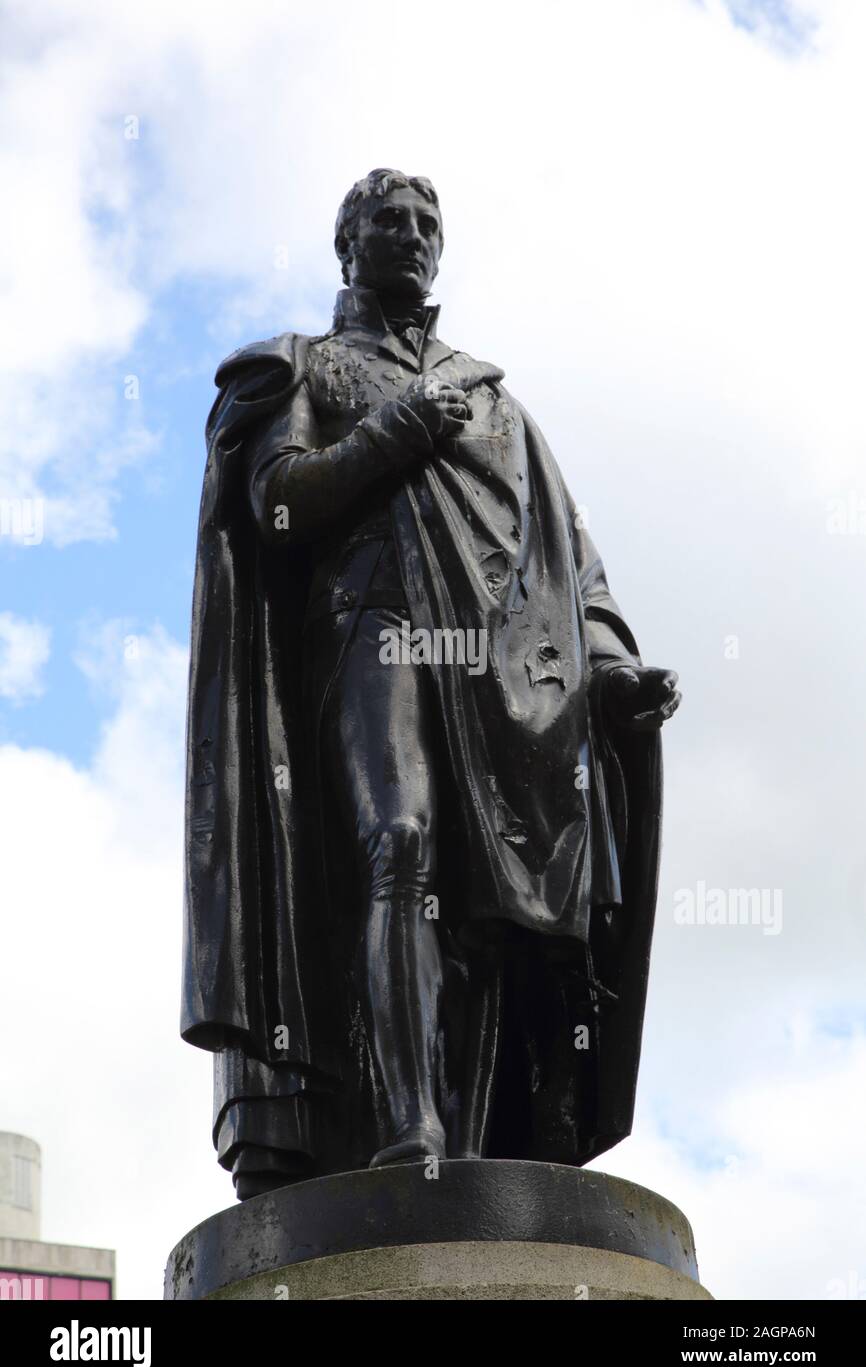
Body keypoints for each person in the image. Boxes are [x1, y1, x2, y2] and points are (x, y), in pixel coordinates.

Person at [182, 168, 681, 1199]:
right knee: (395, 843)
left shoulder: (498, 402)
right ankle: (403, 1124)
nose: (410, 237)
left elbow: (565, 566)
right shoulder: (303, 367)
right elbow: (275, 501)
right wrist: (392, 432)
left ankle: (499, 1113)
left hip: (502, 682)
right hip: (370, 637)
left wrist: (611, 665)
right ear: (345, 246)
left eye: (425, 223)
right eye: (386, 222)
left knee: (499, 909)